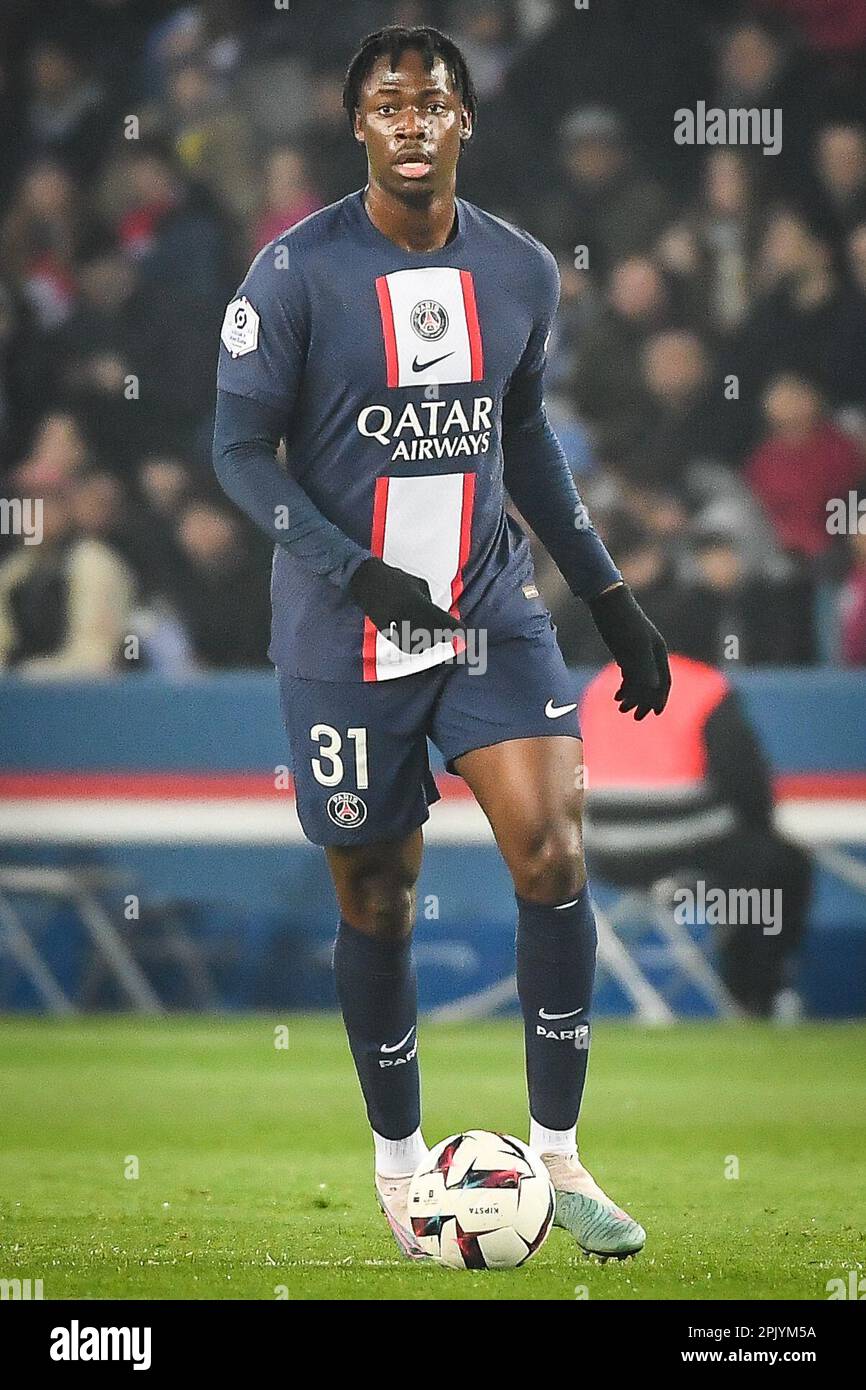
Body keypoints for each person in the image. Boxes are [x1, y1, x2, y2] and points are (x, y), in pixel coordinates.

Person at [213, 25, 670, 1262]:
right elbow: (236, 454)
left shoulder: (521, 270)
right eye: (388, 104)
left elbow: (522, 440)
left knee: (552, 849)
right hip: (340, 632)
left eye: (433, 103)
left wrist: (609, 594)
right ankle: (401, 1166)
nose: (412, 121)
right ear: (355, 125)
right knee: (378, 897)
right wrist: (352, 569)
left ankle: (561, 1159)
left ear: (463, 120)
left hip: (486, 612)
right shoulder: (294, 273)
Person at [580, 653, 813, 1018]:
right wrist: (761, 829)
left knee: (743, 873)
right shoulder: (704, 686)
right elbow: (746, 782)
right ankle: (758, 994)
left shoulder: (601, 683)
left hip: (606, 853)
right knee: (780, 865)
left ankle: (749, 988)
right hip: (686, 845)